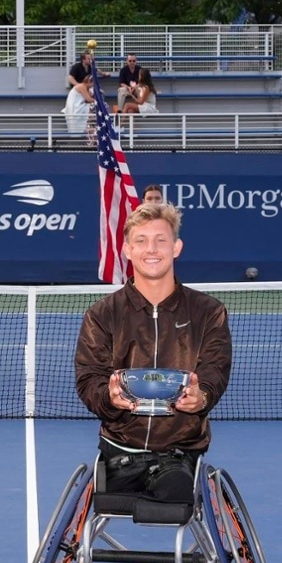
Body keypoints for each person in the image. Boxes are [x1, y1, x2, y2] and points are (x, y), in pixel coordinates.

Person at [75, 202, 232, 502]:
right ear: (127, 250)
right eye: (141, 241)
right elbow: (89, 378)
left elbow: (214, 370)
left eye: (161, 240)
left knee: (175, 496)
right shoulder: (102, 314)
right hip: (118, 453)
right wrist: (109, 397)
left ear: (176, 247)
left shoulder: (209, 312)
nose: (152, 249)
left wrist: (202, 397)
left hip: (181, 455)